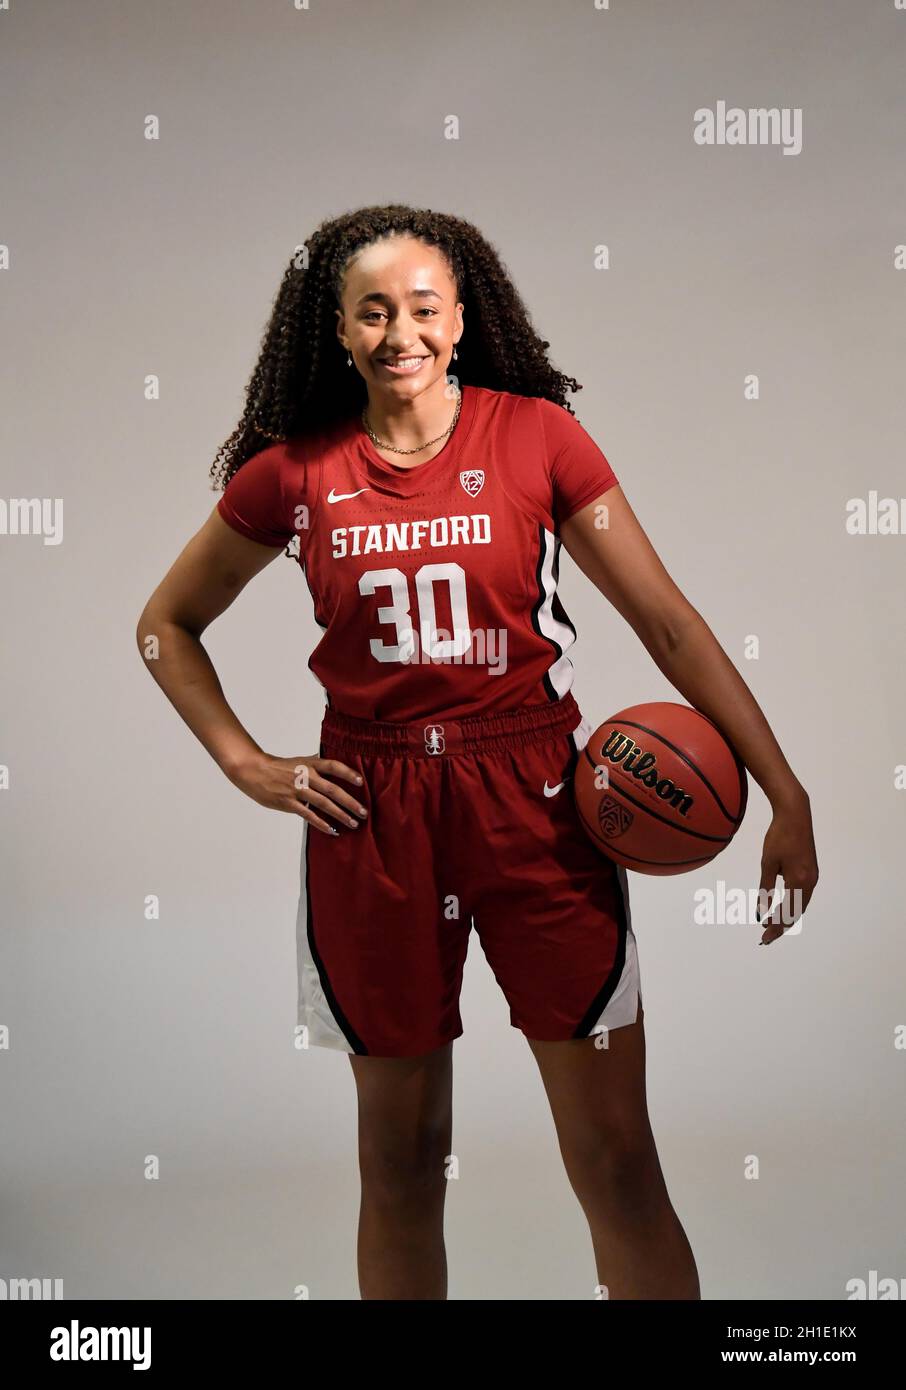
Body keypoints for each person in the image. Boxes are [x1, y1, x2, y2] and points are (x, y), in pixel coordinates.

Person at [136, 203, 819, 1300]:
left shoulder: (539, 437)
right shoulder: (294, 471)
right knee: (400, 1165)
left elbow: (671, 624)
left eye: (421, 307)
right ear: (340, 332)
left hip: (540, 799)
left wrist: (785, 793)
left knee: (615, 1157)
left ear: (462, 319)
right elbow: (165, 623)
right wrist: (243, 761)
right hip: (375, 814)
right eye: (372, 311)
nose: (398, 330)